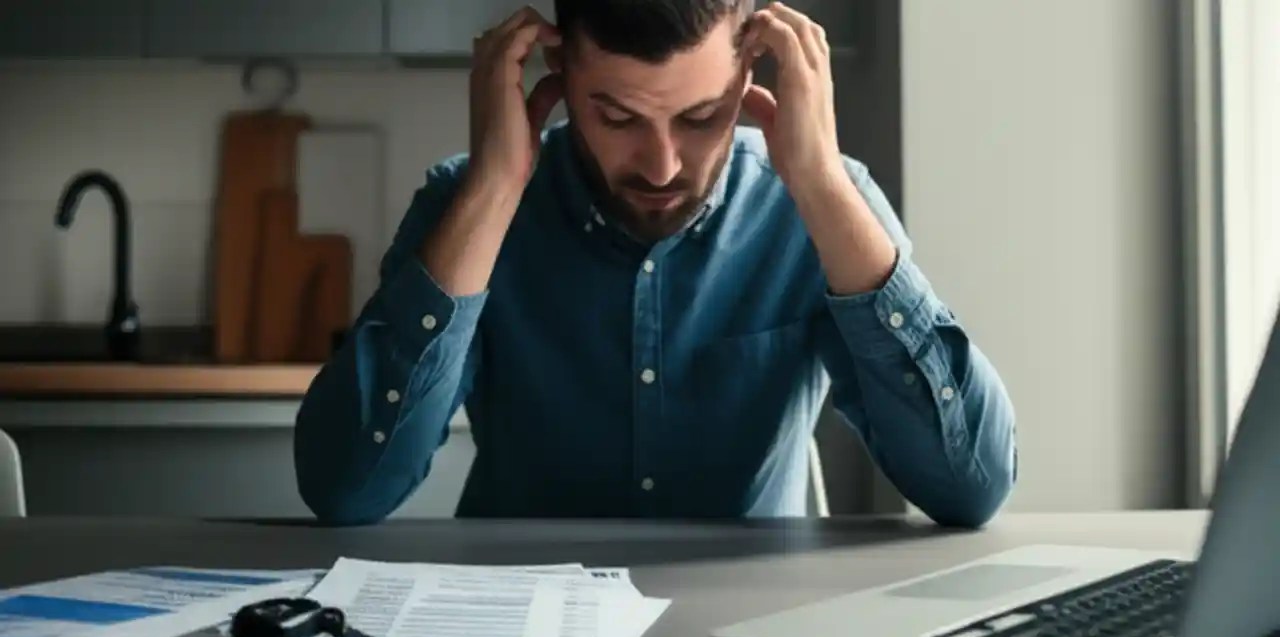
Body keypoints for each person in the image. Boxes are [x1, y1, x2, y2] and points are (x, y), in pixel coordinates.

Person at [294, 0, 1017, 527]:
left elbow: (969, 488)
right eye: (616, 117)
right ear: (557, 72)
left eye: (702, 117)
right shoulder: (468, 204)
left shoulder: (821, 204)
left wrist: (822, 185)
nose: (662, 164)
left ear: (751, 72)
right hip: (519, 630)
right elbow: (344, 489)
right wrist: (491, 189)